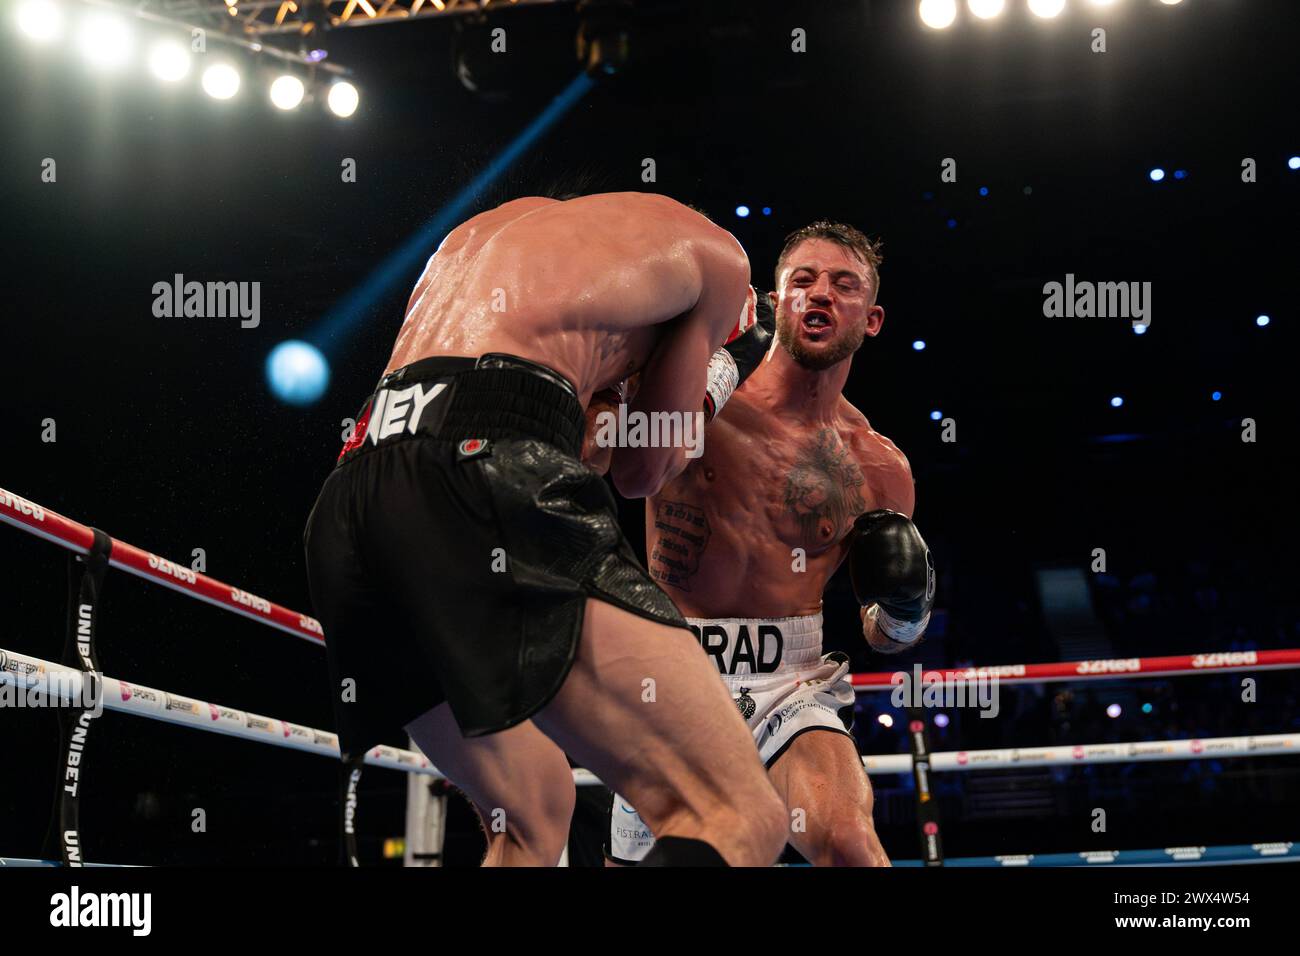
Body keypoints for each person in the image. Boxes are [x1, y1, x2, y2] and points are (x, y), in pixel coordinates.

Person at [304, 193, 788, 866]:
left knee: (531, 810)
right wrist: (719, 372)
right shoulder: (721, 263)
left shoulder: (497, 234)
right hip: (483, 470)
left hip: (353, 492)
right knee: (736, 813)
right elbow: (641, 472)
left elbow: (569, 440)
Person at [607, 220, 935, 866]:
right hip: (675, 675)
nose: (820, 295)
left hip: (792, 680)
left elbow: (886, 636)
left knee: (849, 845)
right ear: (774, 300)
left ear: (870, 319)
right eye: (802, 281)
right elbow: (614, 459)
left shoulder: (878, 466)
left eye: (844, 286)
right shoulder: (703, 399)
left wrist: (908, 605)